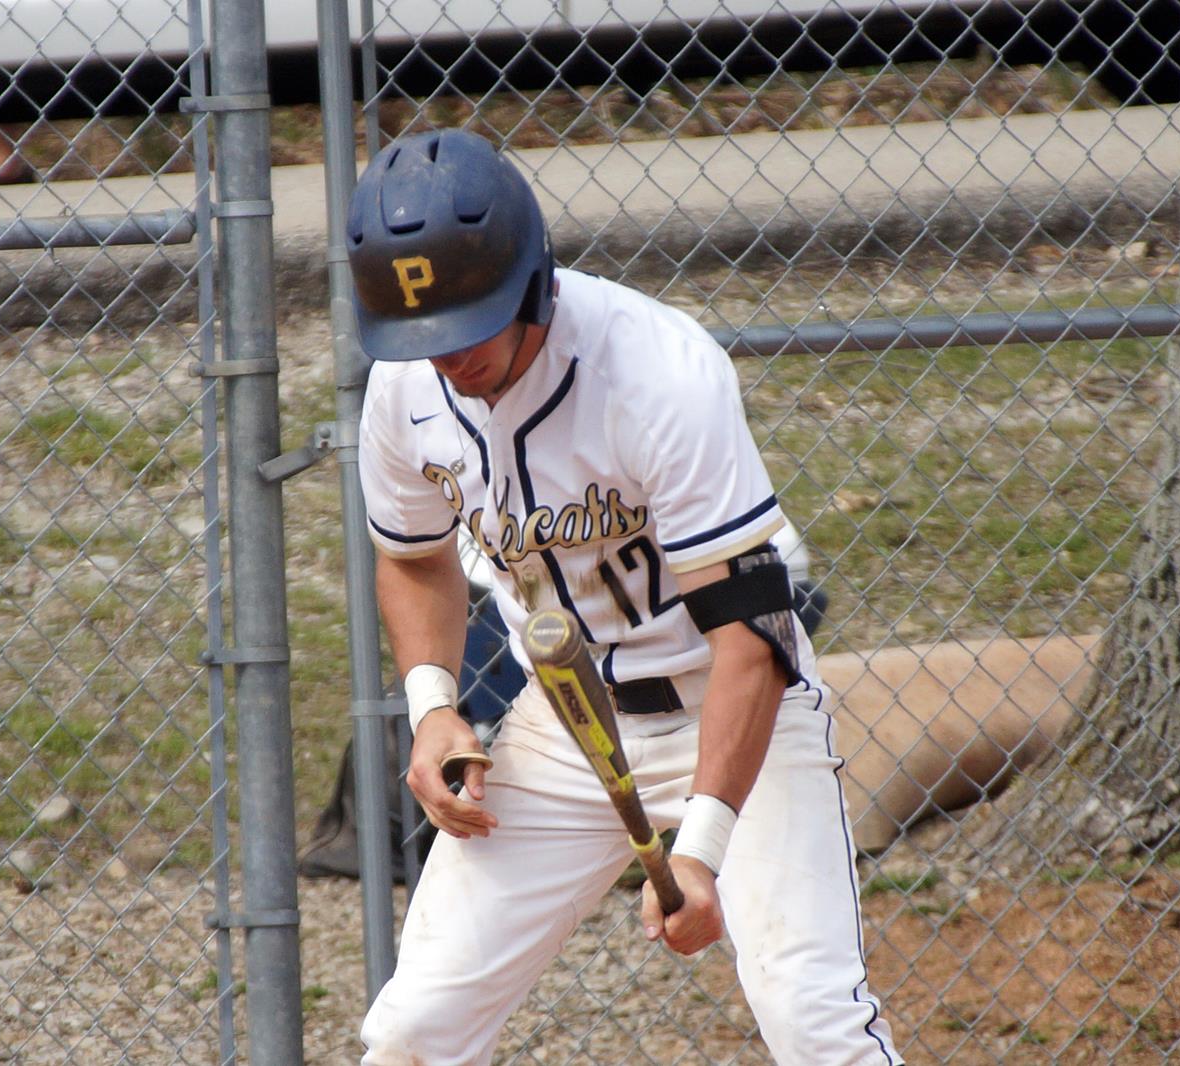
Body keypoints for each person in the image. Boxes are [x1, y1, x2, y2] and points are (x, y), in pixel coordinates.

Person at [349, 127, 902, 1065]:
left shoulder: (655, 370)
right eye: (423, 336)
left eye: (469, 322)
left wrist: (702, 847)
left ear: (529, 280)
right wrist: (435, 708)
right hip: (560, 729)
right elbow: (412, 557)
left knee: (816, 1027)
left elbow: (753, 631)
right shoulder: (405, 389)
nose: (447, 357)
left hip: (733, 716)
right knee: (412, 1033)